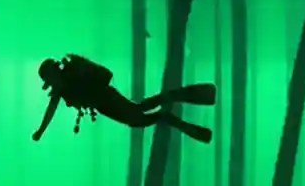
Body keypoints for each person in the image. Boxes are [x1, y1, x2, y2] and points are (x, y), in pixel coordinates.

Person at [31, 54, 217, 143]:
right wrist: (40, 130)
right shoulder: (62, 89)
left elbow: (104, 76)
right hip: (104, 105)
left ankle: (172, 108)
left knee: (138, 116)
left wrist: (40, 131)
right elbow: (51, 110)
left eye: (48, 79)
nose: (49, 83)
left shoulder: (73, 74)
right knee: (139, 114)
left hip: (107, 99)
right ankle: (174, 106)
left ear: (53, 74)